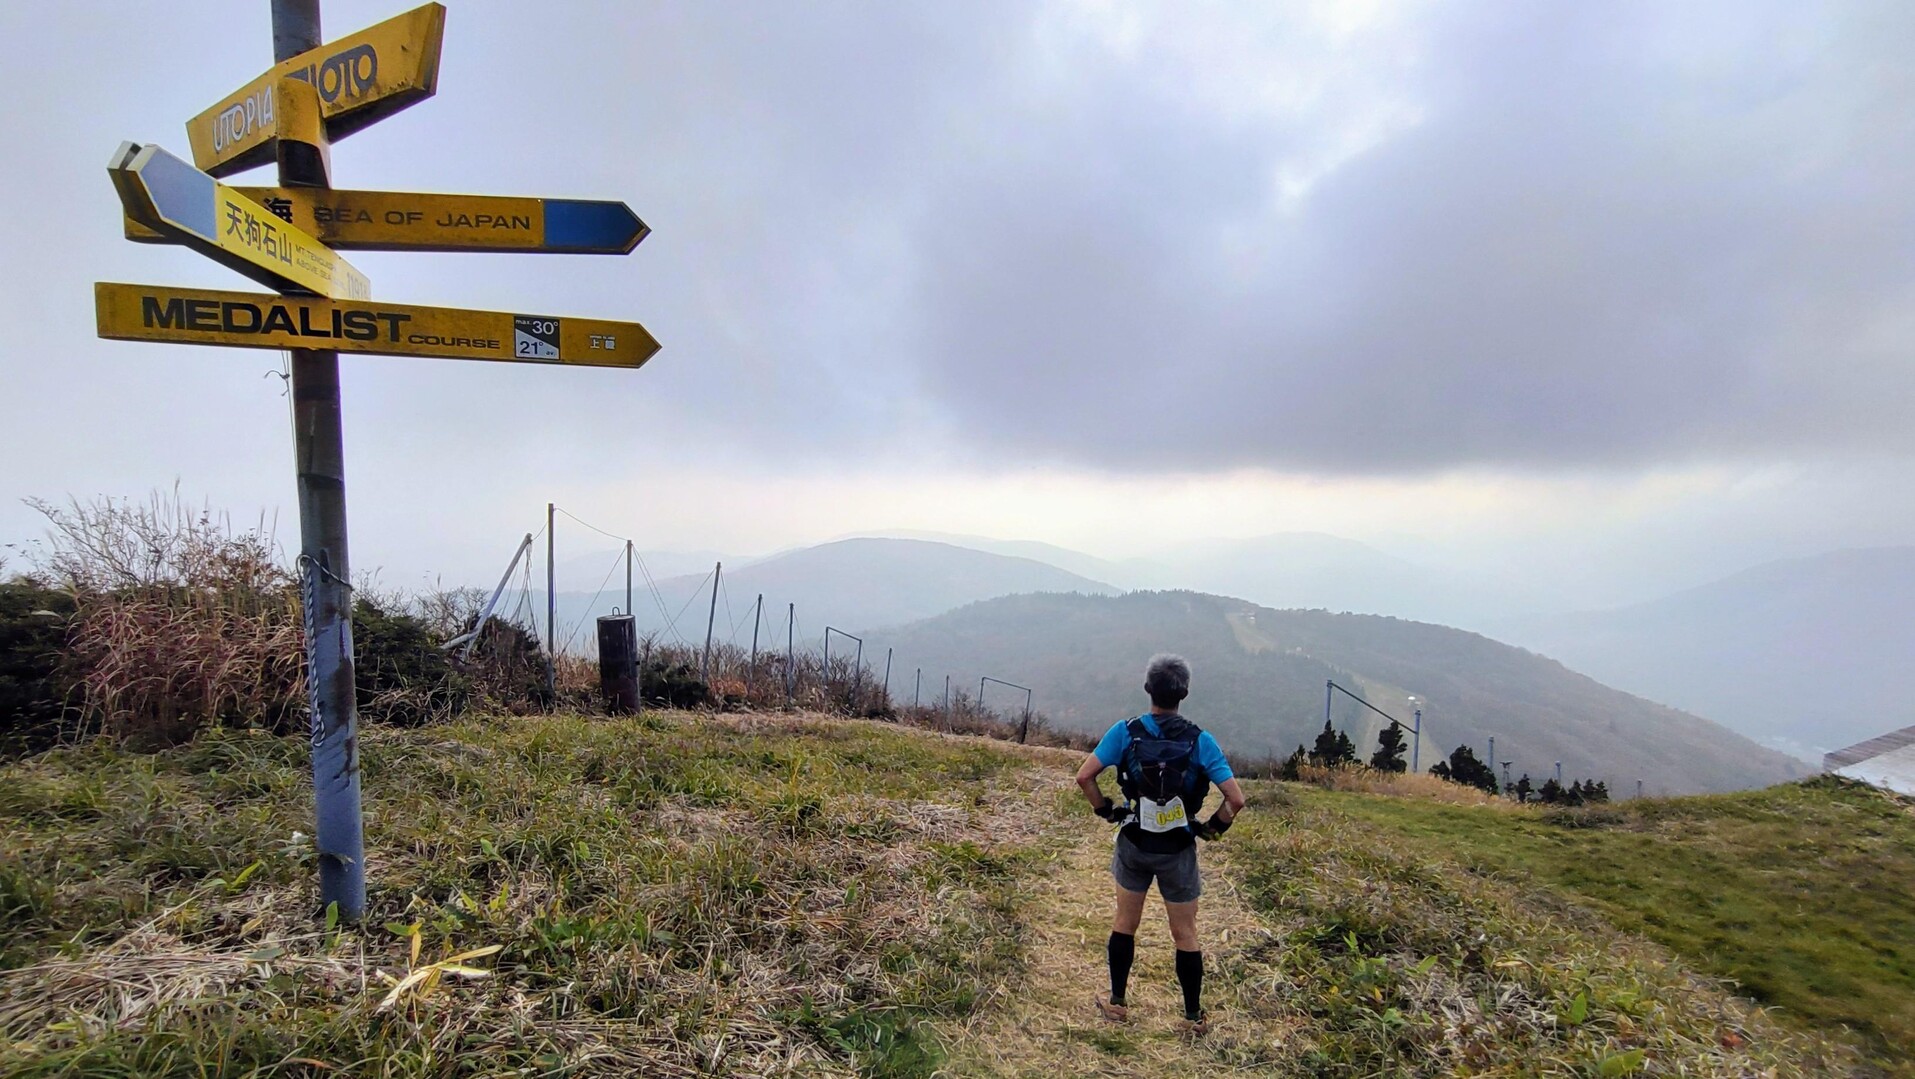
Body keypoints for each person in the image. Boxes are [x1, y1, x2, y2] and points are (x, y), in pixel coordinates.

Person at [1075, 653, 1246, 1034]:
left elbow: (1084, 777)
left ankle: (1117, 1004)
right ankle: (1192, 1018)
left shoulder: (1125, 731)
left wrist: (1106, 810)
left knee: (1125, 922)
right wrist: (1211, 830)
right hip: (1178, 849)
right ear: (1184, 693)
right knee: (1185, 933)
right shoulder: (1200, 740)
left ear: (1148, 689)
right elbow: (1236, 800)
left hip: (1135, 842)